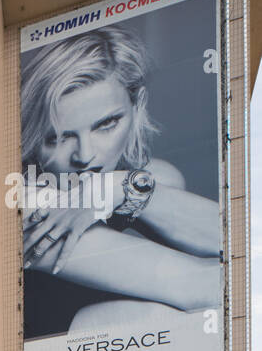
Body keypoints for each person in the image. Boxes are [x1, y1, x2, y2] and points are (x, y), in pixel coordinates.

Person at [19, 27, 219, 334]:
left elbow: (240, 244)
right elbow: (206, 286)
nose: (84, 156)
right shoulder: (27, 207)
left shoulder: (144, 178)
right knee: (139, 315)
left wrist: (115, 188)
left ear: (136, 106)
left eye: (106, 125)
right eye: (58, 138)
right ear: (32, 138)